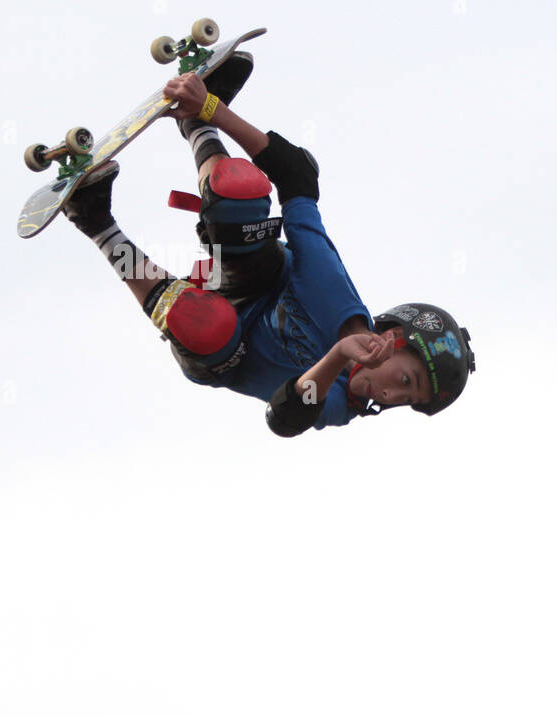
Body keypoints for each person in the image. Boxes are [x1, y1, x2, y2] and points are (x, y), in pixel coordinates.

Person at [60, 53, 475, 436]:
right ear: (393, 339)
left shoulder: (337, 401)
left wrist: (334, 358)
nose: (391, 397)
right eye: (406, 382)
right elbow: (298, 179)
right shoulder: (330, 291)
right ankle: (193, 123)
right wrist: (210, 108)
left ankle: (93, 218)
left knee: (206, 325)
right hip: (244, 278)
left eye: (407, 401)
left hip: (227, 351)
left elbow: (287, 415)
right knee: (240, 196)